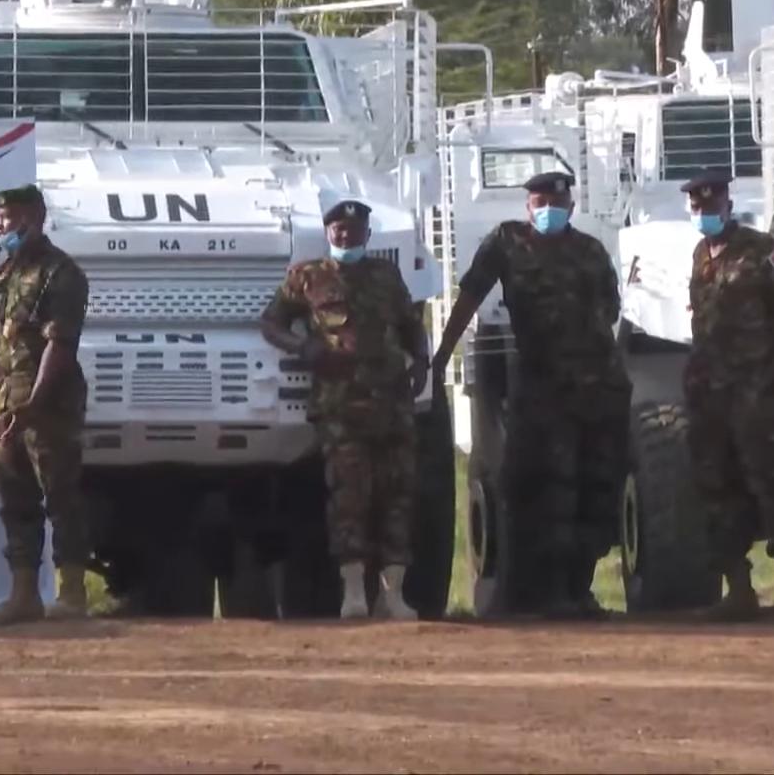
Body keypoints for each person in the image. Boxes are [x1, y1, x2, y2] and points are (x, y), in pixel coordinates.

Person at [430, 171, 631, 618]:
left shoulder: (590, 251)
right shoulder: (508, 242)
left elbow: (612, 308)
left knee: (595, 487)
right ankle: (545, 592)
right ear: (527, 207)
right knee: (545, 488)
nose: (547, 211)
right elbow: (471, 294)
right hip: (544, 390)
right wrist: (444, 350)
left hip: (598, 387)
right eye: (538, 202)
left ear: (571, 207)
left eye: (555, 203)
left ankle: (581, 589)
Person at [262, 199, 429, 620]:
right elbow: (271, 323)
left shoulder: (386, 275)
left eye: (354, 230)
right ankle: (353, 592)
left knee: (398, 495)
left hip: (392, 404)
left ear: (366, 235)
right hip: (341, 407)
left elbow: (411, 325)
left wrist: (423, 363)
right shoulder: (307, 277)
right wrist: (305, 347)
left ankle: (392, 595)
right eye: (338, 229)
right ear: (328, 233)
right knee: (349, 498)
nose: (346, 236)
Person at [681, 170, 774, 621]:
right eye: (698, 208)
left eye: (712, 205)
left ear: (727, 204)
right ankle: (738, 590)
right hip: (711, 394)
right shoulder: (702, 253)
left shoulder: (761, 251)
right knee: (719, 488)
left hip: (756, 393)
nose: (705, 213)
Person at [0, 184, 91, 626]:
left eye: (10, 217)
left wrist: (35, 405)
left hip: (48, 401)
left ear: (34, 217)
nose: (2, 226)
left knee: (61, 496)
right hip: (8, 401)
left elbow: (61, 345)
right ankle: (23, 596)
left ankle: (72, 594)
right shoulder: (3, 273)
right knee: (14, 499)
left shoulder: (61, 273)